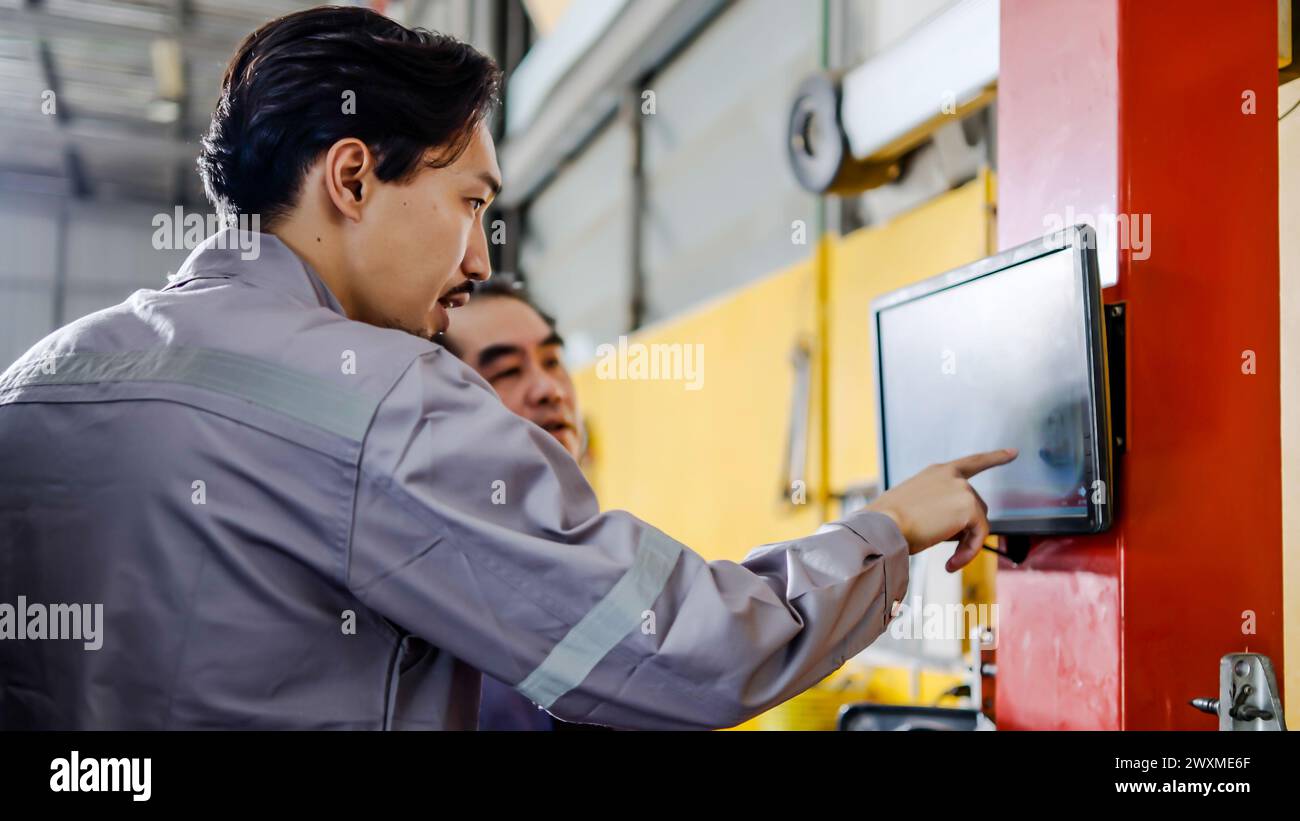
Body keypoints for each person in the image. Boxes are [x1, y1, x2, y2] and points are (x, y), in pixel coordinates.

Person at [0, 6, 1016, 730]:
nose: (481, 258)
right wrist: (882, 533)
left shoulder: (40, 379)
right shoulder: (376, 394)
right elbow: (673, 648)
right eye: (471, 204)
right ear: (354, 176)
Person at [441, 279, 598, 730]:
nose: (549, 389)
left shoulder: (601, 558)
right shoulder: (436, 590)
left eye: (553, 361)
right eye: (508, 371)